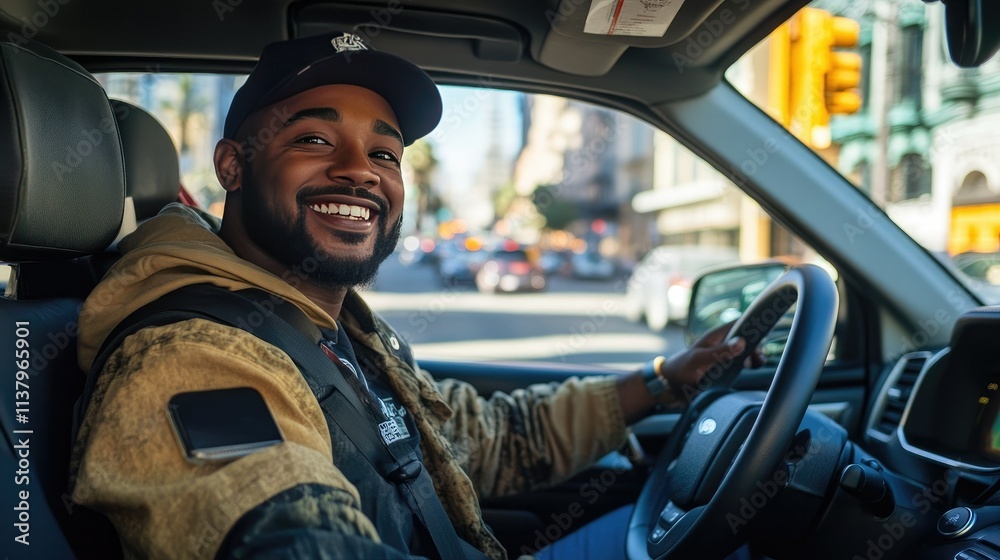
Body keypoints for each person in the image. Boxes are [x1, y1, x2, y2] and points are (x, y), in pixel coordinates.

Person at [68, 32, 755, 560]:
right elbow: (285, 524)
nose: (357, 172)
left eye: (384, 154)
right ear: (232, 165)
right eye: (313, 138)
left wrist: (666, 381)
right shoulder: (193, 352)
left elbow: (487, 442)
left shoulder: (328, 329)